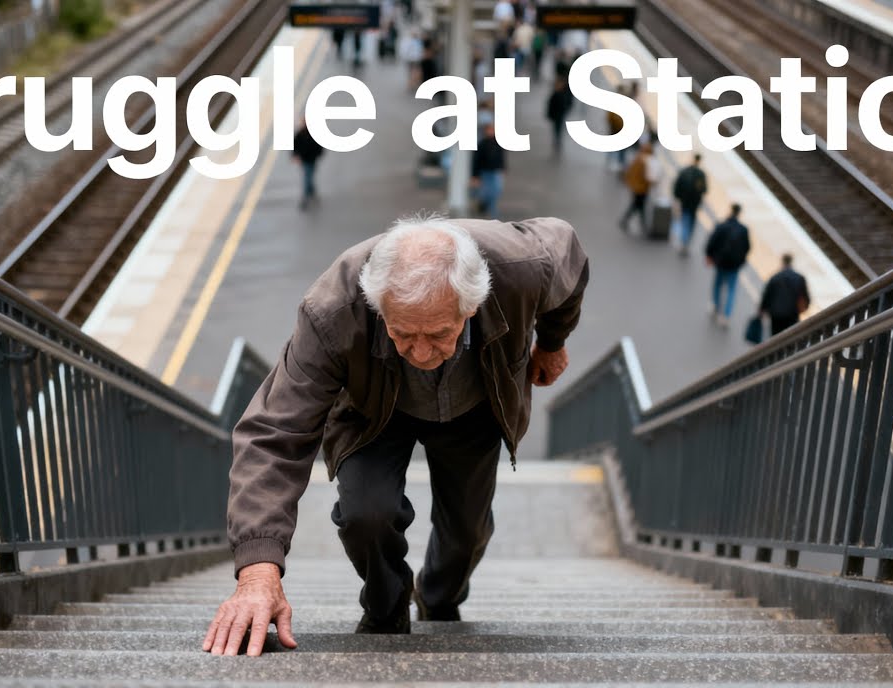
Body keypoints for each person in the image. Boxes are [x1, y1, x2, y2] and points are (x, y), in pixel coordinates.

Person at [203, 215, 590, 655]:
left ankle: (438, 599)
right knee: (366, 515)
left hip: (475, 399)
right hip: (374, 408)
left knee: (466, 532)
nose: (421, 352)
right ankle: (386, 611)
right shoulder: (333, 309)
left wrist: (552, 341)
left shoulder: (525, 266)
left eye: (439, 333)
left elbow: (571, 255)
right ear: (378, 305)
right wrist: (258, 571)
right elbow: (274, 431)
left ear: (471, 305)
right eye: (403, 333)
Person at [704, 203, 751, 328]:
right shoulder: (743, 230)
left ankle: (715, 305)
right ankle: (726, 315)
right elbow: (747, 248)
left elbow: (712, 241)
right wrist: (741, 261)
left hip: (721, 262)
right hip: (734, 265)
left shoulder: (722, 225)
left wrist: (709, 255)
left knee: (718, 284)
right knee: (731, 289)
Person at [758, 254, 810, 336]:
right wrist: (803, 308)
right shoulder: (799, 278)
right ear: (791, 262)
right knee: (790, 337)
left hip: (776, 315)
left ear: (782, 262)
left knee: (776, 337)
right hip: (792, 314)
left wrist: (761, 309)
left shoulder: (775, 277)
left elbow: (767, 295)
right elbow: (805, 297)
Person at [672, 154, 708, 256]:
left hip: (684, 202)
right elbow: (704, 189)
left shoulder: (685, 171)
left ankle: (684, 242)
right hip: (694, 204)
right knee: (691, 224)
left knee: (685, 222)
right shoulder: (701, 175)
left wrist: (677, 198)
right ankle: (686, 243)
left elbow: (677, 186)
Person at [618, 142, 652, 234]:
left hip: (636, 188)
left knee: (638, 206)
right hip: (641, 189)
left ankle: (640, 224)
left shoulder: (638, 159)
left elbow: (630, 173)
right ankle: (641, 224)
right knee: (637, 206)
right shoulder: (644, 162)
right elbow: (646, 177)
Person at [292, 120, 324, 210]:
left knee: (308, 177)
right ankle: (309, 194)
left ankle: (308, 195)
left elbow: (319, 147)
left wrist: (317, 155)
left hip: (312, 160)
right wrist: (295, 156)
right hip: (304, 160)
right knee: (308, 177)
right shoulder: (300, 134)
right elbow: (295, 145)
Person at [546, 77, 574, 156]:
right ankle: (557, 141)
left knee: (559, 128)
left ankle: (558, 141)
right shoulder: (555, 94)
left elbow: (569, 103)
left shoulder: (564, 93)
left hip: (561, 114)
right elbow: (550, 105)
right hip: (556, 115)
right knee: (556, 128)